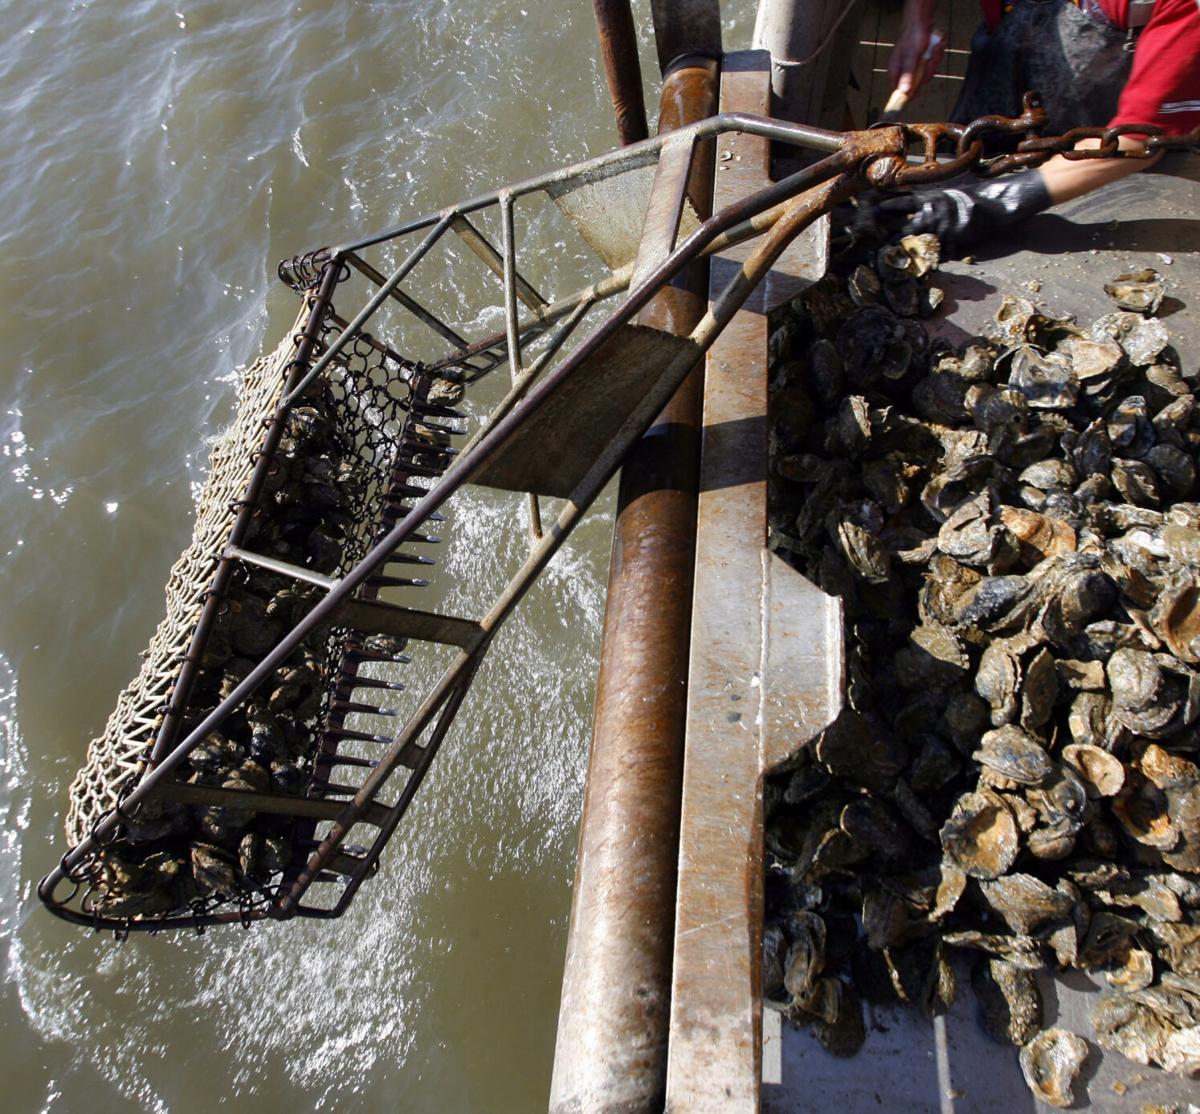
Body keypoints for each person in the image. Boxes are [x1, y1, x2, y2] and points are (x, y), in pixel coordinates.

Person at [883, 0, 1200, 253]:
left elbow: (1139, 139)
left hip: (1102, 141)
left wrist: (993, 202)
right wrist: (917, 22)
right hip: (1001, 54)